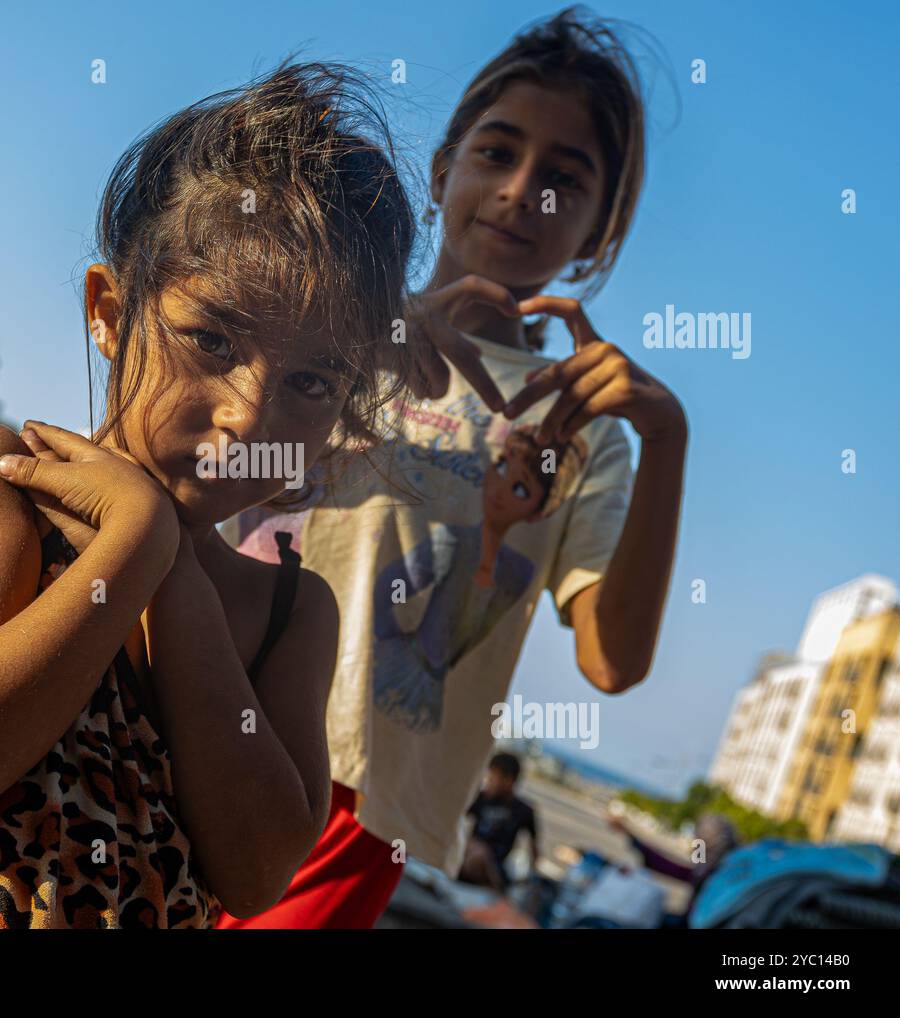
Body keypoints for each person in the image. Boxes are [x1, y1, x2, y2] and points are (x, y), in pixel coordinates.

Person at [0, 60, 418, 928]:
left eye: (311, 381)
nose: (247, 416)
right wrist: (129, 549)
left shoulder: (290, 612)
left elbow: (258, 872)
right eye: (213, 339)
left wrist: (171, 572)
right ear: (110, 312)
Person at [220, 8, 687, 928]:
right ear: (443, 171)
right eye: (497, 153)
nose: (521, 192)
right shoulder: (331, 320)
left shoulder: (584, 427)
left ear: (599, 233)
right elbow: (213, 476)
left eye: (564, 179)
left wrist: (667, 439)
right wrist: (361, 354)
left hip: (364, 806)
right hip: (207, 709)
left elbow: (612, 659)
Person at [607, 810, 739, 924]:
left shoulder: (719, 872)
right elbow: (676, 869)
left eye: (700, 839)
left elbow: (677, 870)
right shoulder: (719, 867)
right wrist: (632, 838)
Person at [459, 752, 538, 891]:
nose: (488, 782)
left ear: (509, 781)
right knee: (473, 849)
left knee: (480, 852)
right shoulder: (481, 798)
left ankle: (496, 890)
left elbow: (534, 848)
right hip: (469, 859)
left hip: (494, 867)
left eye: (492, 778)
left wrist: (531, 878)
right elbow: (457, 822)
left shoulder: (523, 810)